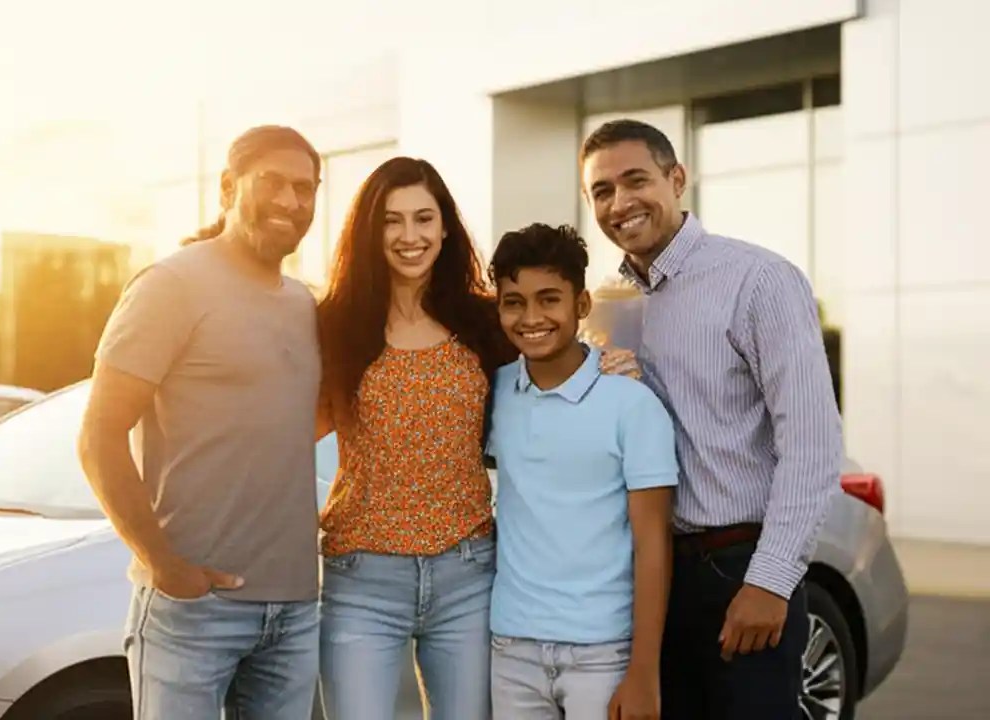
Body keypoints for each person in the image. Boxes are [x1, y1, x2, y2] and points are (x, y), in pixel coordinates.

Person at [579, 118, 843, 719]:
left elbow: (812, 442)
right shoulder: (605, 304)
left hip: (738, 567)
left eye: (636, 180)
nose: (620, 203)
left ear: (677, 179)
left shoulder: (758, 280)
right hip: (652, 583)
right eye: (601, 191)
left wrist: (770, 581)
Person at [79, 124, 324, 720]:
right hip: (194, 610)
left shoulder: (304, 304)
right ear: (227, 187)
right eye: (274, 182)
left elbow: (286, 429)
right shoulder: (171, 285)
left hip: (294, 609)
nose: (292, 202)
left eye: (306, 188)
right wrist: (165, 566)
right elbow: (99, 437)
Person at [315, 156, 515, 720]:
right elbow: (283, 431)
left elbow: (553, 384)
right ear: (369, 231)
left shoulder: (484, 323)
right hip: (362, 580)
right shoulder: (334, 325)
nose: (410, 236)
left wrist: (609, 364)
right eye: (392, 221)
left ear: (445, 227)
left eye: (424, 218)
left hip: (468, 573)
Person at [484, 222, 678, 720]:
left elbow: (652, 544)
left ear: (582, 304)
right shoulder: (493, 394)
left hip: (604, 653)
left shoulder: (632, 405)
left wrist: (644, 671)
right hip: (512, 648)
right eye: (514, 301)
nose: (531, 317)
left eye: (549, 299)